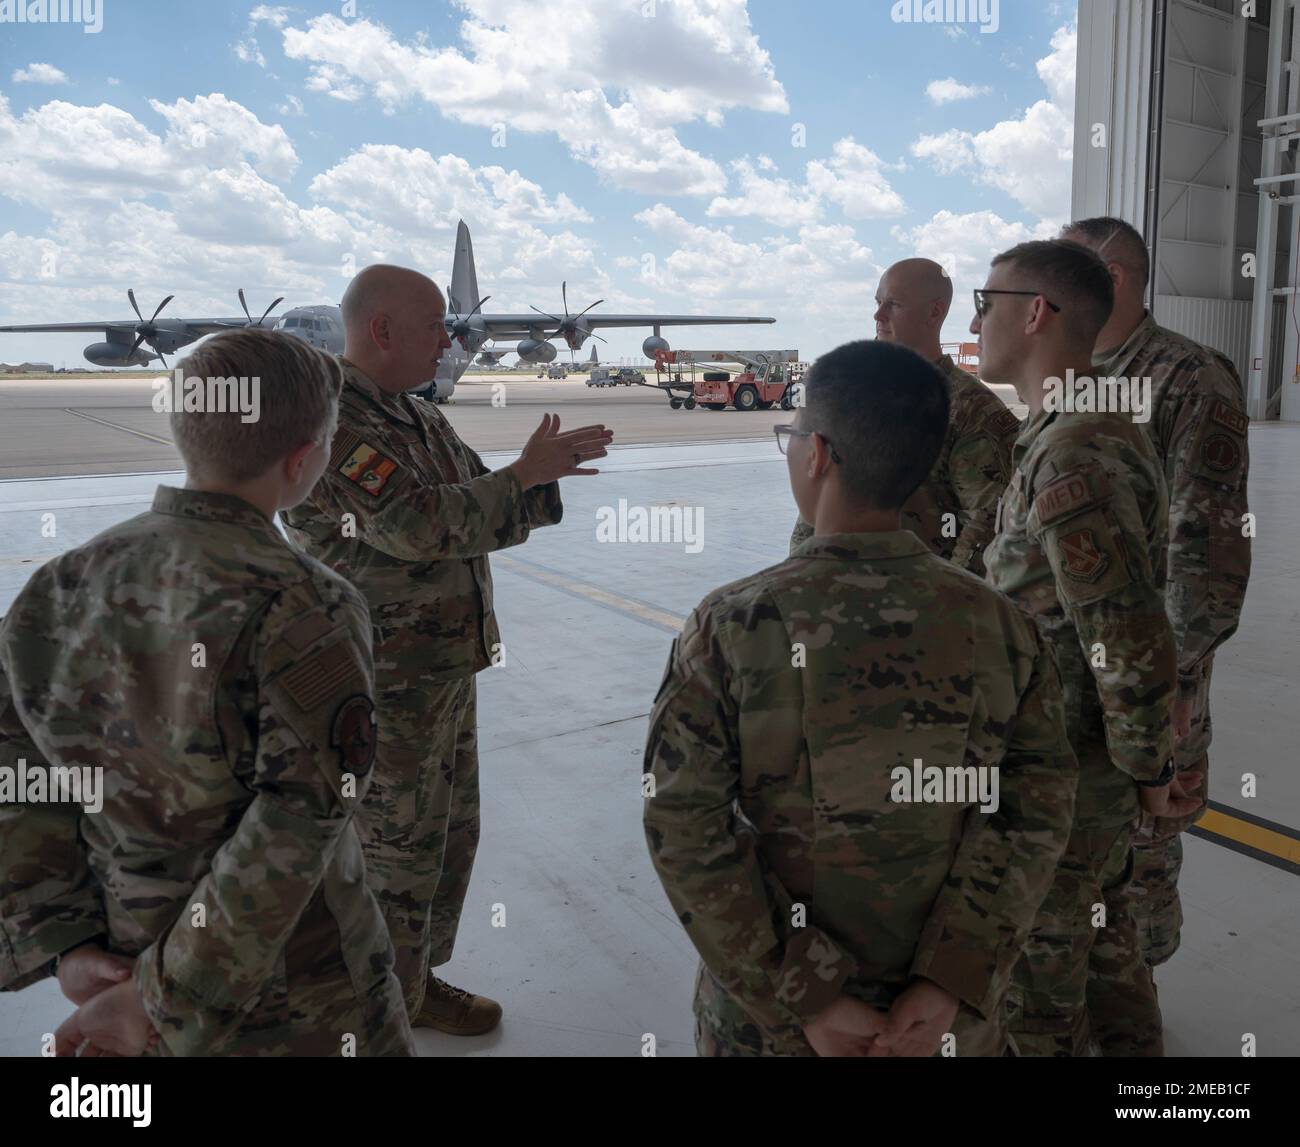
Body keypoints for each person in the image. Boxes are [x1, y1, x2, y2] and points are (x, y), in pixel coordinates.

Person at [645, 339, 1078, 1057]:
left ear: (816, 453)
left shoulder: (732, 624)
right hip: (939, 1027)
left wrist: (807, 994)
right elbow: (1036, 808)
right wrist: (950, 979)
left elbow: (683, 823)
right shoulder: (1005, 626)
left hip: (778, 1031)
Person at [0, 328, 412, 1056]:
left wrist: (61, 938)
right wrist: (164, 997)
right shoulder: (308, 602)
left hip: (120, 958)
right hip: (292, 989)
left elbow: (16, 770)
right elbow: (299, 819)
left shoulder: (58, 584)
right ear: (304, 460)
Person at [282, 264, 613, 1035]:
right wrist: (519, 480)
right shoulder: (336, 423)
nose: (451, 337)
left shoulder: (416, 416)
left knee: (445, 839)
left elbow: (475, 500)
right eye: (436, 325)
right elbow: (416, 525)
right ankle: (373, 1010)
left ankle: (413, 982)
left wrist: (536, 479)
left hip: (439, 669)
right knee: (394, 853)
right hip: (379, 678)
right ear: (383, 331)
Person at [976, 239, 1200, 1056]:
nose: (976, 319)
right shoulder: (1066, 426)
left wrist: (1148, 771)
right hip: (1077, 769)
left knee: (1040, 988)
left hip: (1068, 776)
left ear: (1036, 313)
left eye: (985, 298)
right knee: (1107, 956)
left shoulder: (1076, 447)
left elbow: (1127, 636)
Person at [1061, 216, 1251, 968]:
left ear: (1110, 279)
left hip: (1153, 684)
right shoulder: (1072, 375)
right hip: (1081, 675)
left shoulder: (1191, 378)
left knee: (1140, 868)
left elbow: (1208, 557)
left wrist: (1164, 688)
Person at [790, 258, 1019, 574]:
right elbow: (817, 496)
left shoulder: (971, 410)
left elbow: (987, 520)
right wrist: (800, 570)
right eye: (878, 302)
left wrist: (946, 600)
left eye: (893, 304)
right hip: (833, 589)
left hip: (915, 600)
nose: (878, 315)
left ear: (934, 312)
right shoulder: (854, 390)